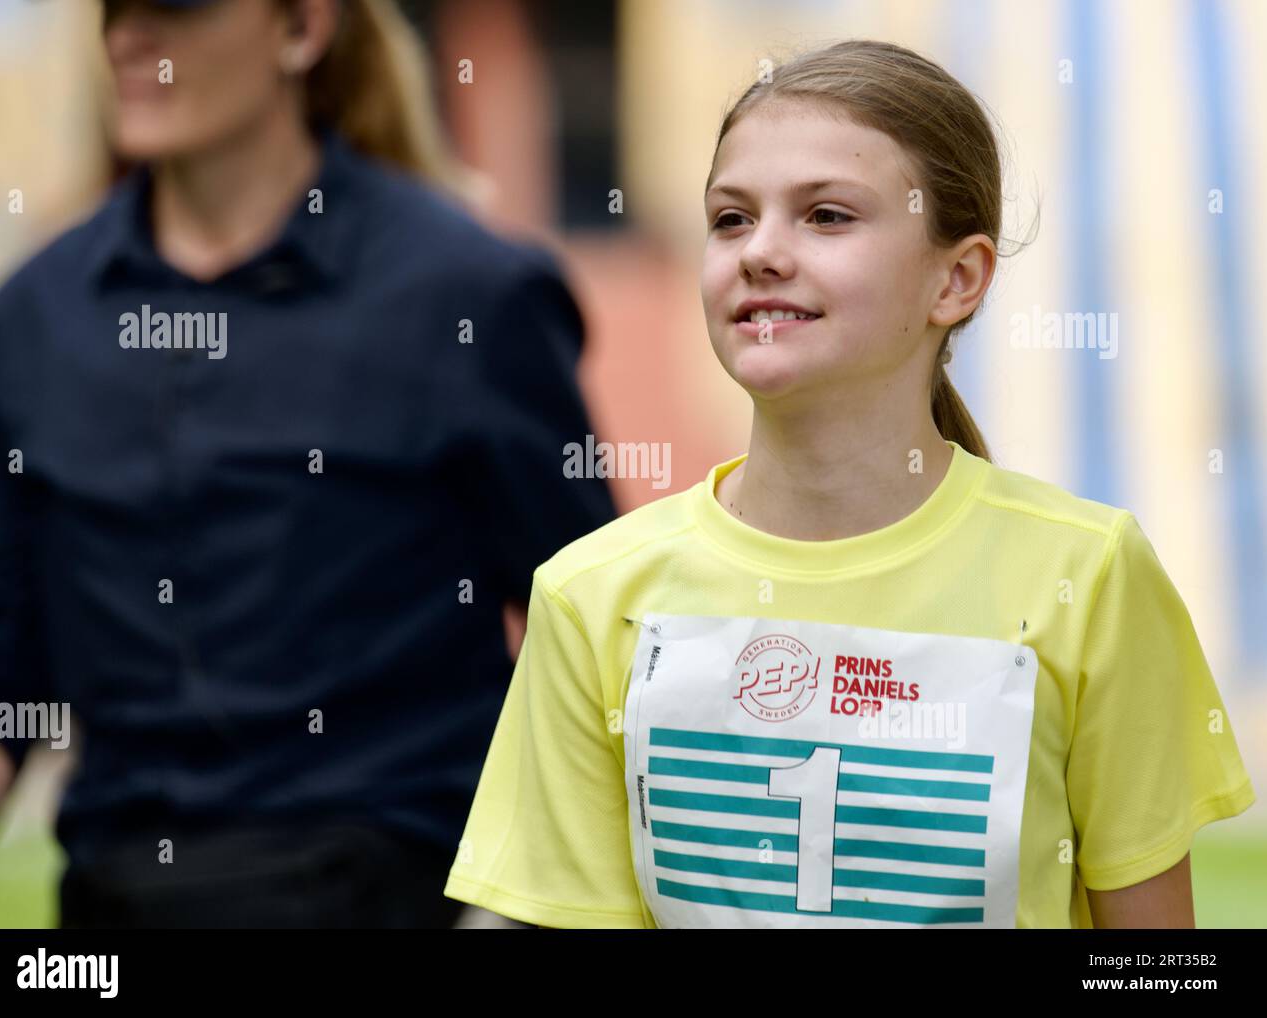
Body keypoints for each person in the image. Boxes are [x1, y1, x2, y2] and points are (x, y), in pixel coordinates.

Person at [443, 39, 1256, 929]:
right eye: (730, 218)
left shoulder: (1090, 574)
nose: (760, 252)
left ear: (958, 278)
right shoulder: (589, 596)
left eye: (826, 216)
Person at [0, 0, 615, 928]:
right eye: (113, 6)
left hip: (399, 899)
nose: (127, 35)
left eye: (177, 5)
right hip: (111, 921)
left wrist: (507, 920)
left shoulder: (468, 295)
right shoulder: (37, 314)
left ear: (301, 29)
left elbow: (594, 647)